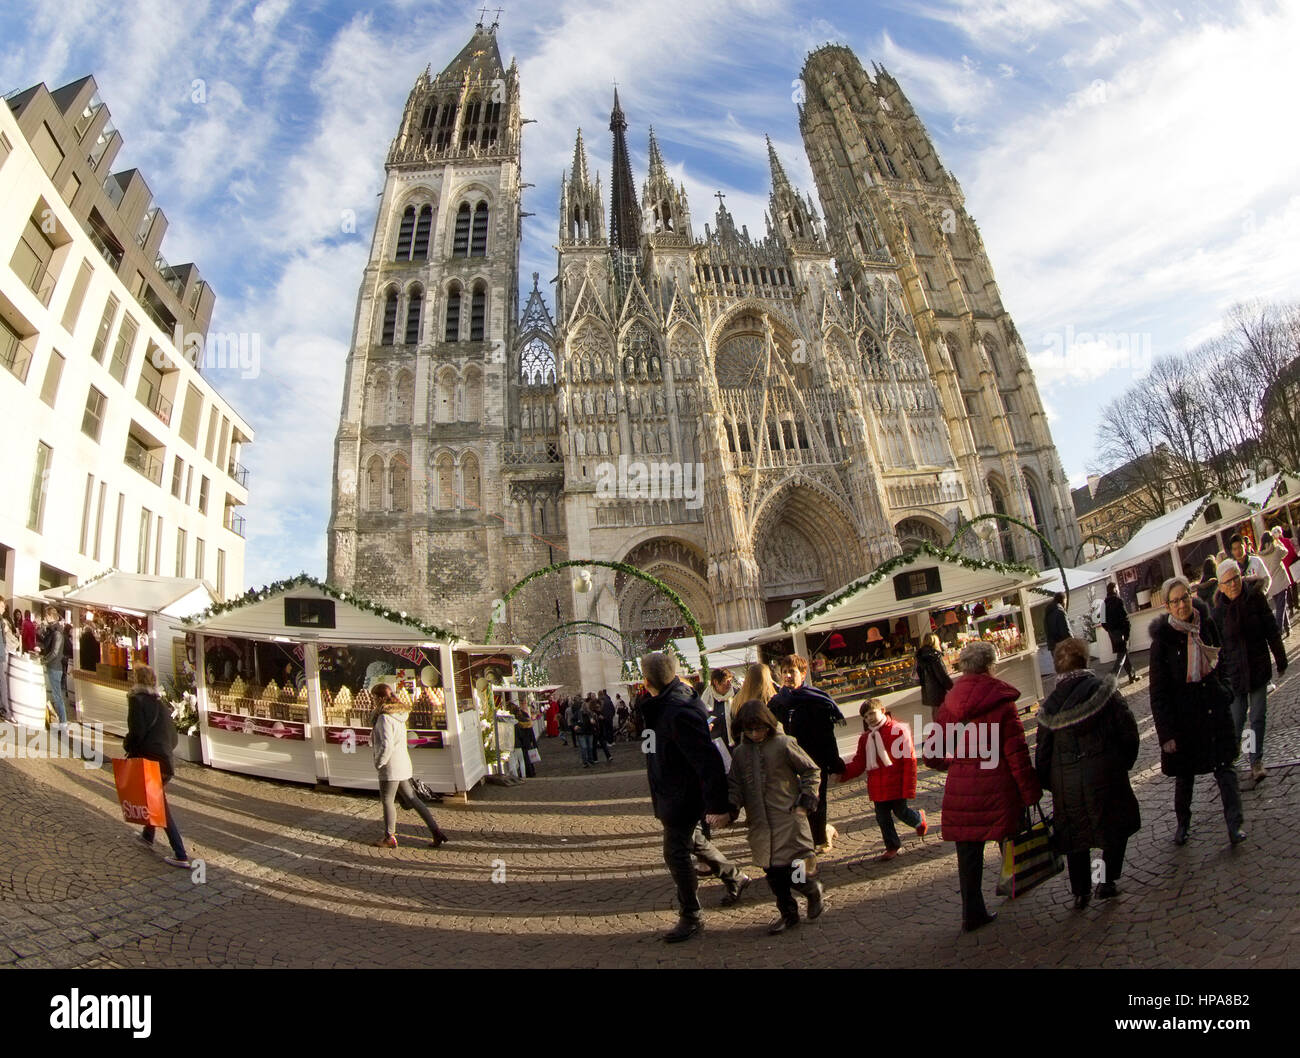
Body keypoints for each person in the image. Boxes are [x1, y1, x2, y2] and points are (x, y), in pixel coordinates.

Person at [639, 651, 748, 943]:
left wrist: (719, 806)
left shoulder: (678, 708)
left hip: (682, 795)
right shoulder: (668, 703)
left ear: (647, 680)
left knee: (675, 853)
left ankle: (691, 915)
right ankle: (734, 875)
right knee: (695, 841)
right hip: (670, 790)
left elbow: (706, 760)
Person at [933, 641, 1041, 932]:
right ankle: (1014, 883)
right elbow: (1016, 753)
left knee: (968, 854)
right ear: (990, 665)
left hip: (962, 789)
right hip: (998, 786)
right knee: (1009, 836)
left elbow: (934, 753)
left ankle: (972, 912)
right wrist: (1030, 792)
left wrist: (955, 762)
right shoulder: (1002, 701)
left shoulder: (949, 702)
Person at [1035, 638, 1140, 908]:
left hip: (1068, 784)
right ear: (1085, 660)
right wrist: (1122, 764)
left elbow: (1043, 755)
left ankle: (1081, 891)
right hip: (1107, 775)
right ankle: (1105, 881)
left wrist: (1054, 783)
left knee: (1076, 838)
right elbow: (1128, 730)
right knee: (1113, 830)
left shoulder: (1050, 706)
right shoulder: (1103, 690)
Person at [1149, 576, 1245, 845]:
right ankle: (1183, 824)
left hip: (1213, 708)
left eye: (1185, 598)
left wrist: (1226, 689)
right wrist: (1166, 733)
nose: (1182, 605)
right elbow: (1158, 692)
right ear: (1168, 606)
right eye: (1175, 601)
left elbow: (1223, 659)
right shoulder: (1162, 642)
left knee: (1225, 768)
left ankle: (1235, 824)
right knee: (1185, 776)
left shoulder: (1206, 625)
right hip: (1184, 718)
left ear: (1191, 597)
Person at [722, 699, 823, 935]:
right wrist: (731, 808)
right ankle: (789, 914)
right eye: (750, 730)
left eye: (759, 729)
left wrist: (806, 802)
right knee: (774, 875)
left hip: (788, 818)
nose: (755, 734)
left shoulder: (783, 744)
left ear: (768, 724)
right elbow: (735, 785)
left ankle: (811, 890)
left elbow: (811, 770)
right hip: (760, 824)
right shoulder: (740, 753)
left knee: (795, 867)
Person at [1213, 558, 1287, 784]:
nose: (1233, 584)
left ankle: (1255, 761)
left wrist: (1280, 657)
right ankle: (1231, 759)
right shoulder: (1218, 613)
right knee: (1236, 720)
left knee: (1256, 717)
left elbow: (1271, 629)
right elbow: (1217, 650)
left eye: (1235, 578)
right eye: (1228, 582)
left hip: (1257, 668)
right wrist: (1220, 679)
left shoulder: (1255, 598)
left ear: (1240, 577)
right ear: (1221, 586)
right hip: (1235, 675)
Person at [771, 654, 845, 853]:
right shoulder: (777, 702)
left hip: (815, 759)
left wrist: (834, 763)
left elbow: (827, 736)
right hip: (790, 761)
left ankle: (819, 839)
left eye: (792, 672)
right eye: (784, 672)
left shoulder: (816, 700)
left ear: (803, 674)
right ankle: (808, 839)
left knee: (816, 801)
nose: (787, 676)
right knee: (795, 801)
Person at [837, 698, 926, 861]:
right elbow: (859, 762)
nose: (869, 718)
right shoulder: (865, 738)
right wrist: (843, 775)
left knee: (901, 812)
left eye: (872, 713)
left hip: (896, 782)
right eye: (865, 717)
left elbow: (910, 759)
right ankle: (892, 846)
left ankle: (918, 820)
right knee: (882, 818)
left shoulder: (898, 730)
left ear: (883, 711)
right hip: (877, 786)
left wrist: (909, 786)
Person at [123, 665, 191, 868]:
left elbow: (137, 732)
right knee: (154, 798)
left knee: (160, 805)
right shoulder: (160, 704)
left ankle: (180, 853)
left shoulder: (137, 701)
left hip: (150, 760)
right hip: (165, 760)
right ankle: (147, 835)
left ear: (137, 680)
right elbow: (172, 736)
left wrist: (128, 746)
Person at [370, 683, 448, 848]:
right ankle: (436, 831)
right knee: (413, 799)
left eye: (374, 697)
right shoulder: (398, 714)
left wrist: (379, 762)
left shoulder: (385, 717)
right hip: (402, 764)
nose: (373, 700)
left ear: (380, 698)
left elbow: (386, 744)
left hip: (390, 766)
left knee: (387, 800)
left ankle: (389, 837)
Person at [1101, 582, 1138, 683]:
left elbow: (1103, 622)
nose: (1118, 590)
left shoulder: (1103, 604)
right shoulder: (1118, 601)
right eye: (1117, 588)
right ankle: (1111, 681)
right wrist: (1126, 634)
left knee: (1123, 654)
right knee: (1121, 657)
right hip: (1122, 633)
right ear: (1115, 589)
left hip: (1113, 634)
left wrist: (1110, 630)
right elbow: (1125, 619)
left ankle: (1132, 676)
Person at [1258, 532, 1291, 638]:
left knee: (1280, 605)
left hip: (1272, 585)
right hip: (1281, 582)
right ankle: (1279, 630)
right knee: (1281, 607)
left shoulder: (1260, 555)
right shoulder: (1276, 549)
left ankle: (1287, 626)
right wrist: (1278, 542)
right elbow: (1286, 551)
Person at [39, 607, 68, 726]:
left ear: (50, 616)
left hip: (54, 667)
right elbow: (49, 647)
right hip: (54, 666)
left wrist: (44, 660)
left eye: (46, 616)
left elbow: (55, 652)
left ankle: (63, 722)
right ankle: (60, 720)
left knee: (57, 696)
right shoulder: (54, 631)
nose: (45, 618)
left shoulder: (57, 632)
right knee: (55, 695)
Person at [699, 667, 737, 747]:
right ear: (716, 682)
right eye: (726, 681)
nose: (729, 684)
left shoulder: (736, 696)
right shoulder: (706, 700)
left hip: (735, 743)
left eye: (730, 681)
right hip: (717, 745)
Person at [914, 632, 953, 711]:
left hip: (928, 692)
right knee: (944, 714)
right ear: (935, 642)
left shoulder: (920, 656)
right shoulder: (934, 656)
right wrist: (952, 688)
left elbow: (920, 676)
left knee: (935, 713)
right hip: (939, 691)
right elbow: (942, 676)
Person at [514, 706, 538, 778]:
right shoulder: (527, 721)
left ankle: (526, 773)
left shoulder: (517, 723)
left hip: (522, 742)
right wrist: (533, 742)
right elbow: (531, 733)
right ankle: (531, 771)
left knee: (523, 758)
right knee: (528, 757)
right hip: (527, 741)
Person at [572, 698, 596, 767]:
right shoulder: (578, 713)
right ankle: (585, 761)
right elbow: (573, 720)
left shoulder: (590, 713)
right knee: (584, 747)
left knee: (590, 747)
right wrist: (575, 726)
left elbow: (594, 721)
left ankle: (590, 760)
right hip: (581, 732)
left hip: (589, 732)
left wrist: (593, 722)